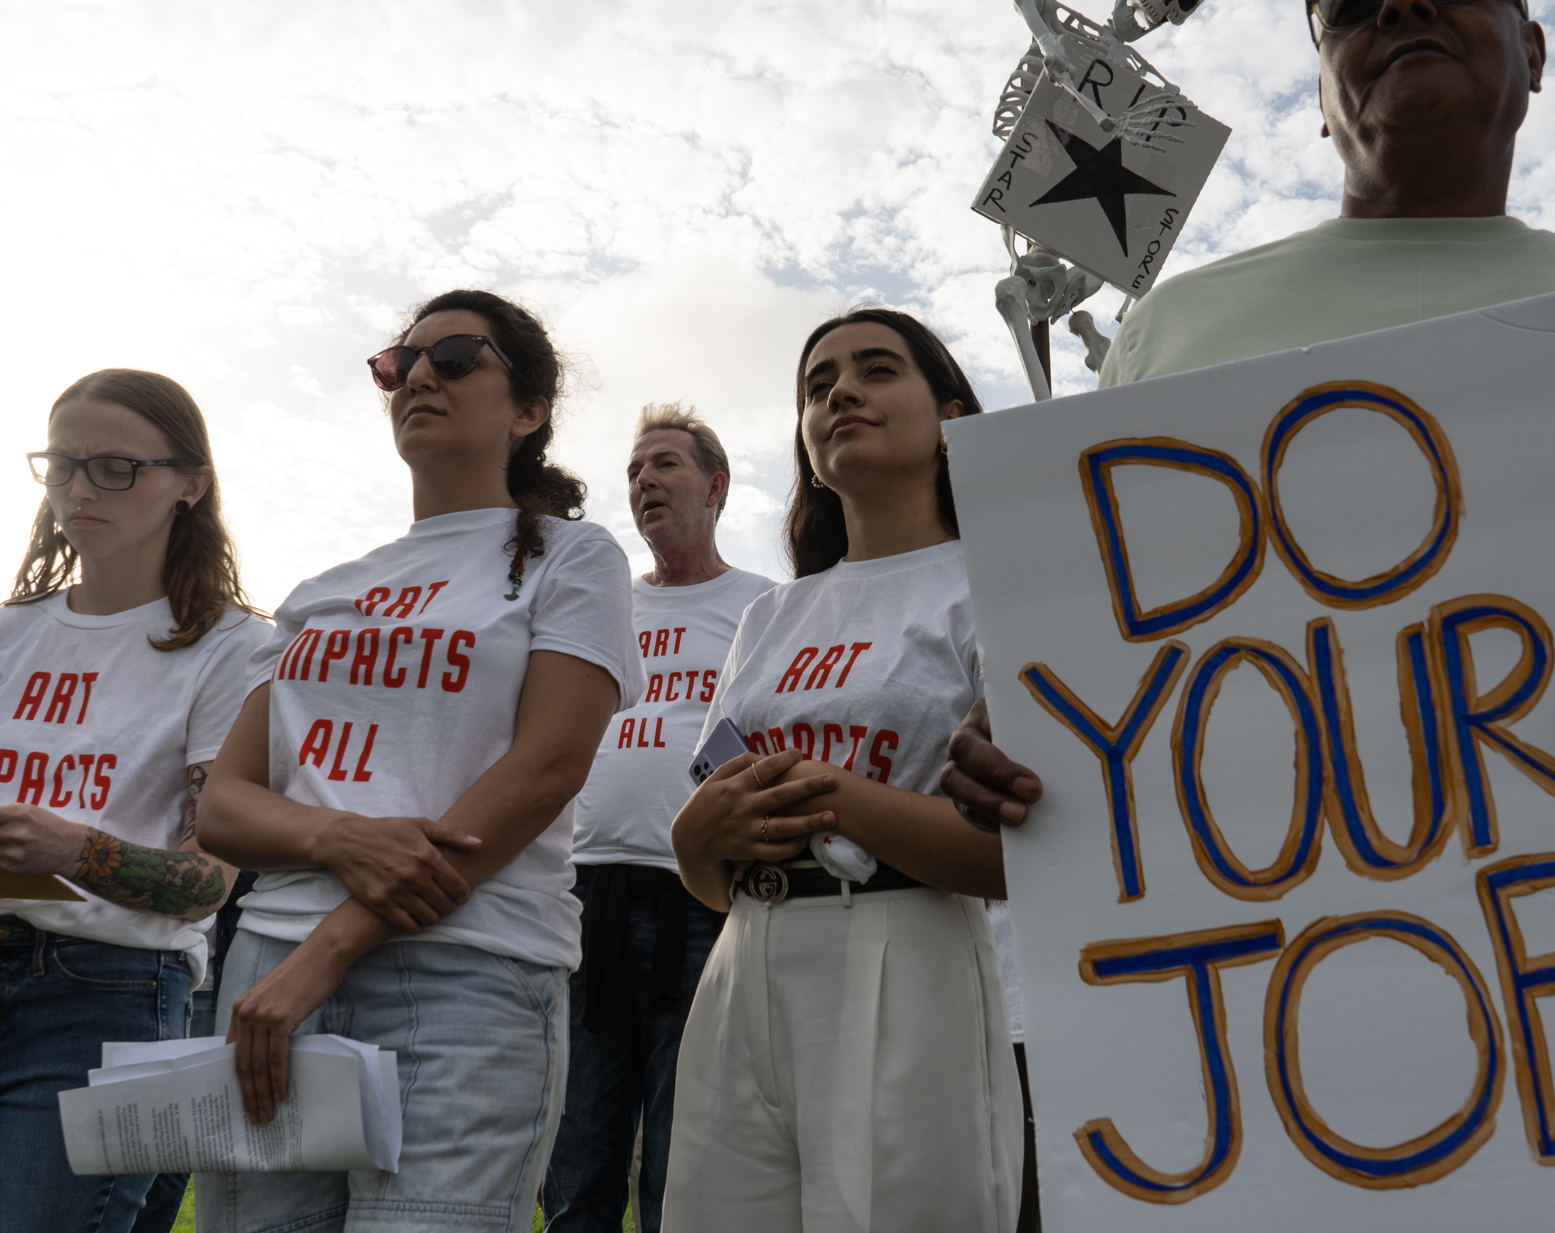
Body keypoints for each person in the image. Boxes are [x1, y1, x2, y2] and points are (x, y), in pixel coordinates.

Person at [941, 0, 1555, 876]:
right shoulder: (1170, 329)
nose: (1405, 2)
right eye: (1352, 7)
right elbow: (1086, 641)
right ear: (1322, 100)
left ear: (1533, 53)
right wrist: (1028, 728)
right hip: (1224, 986)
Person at [195, 290, 644, 1231]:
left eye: (456, 357)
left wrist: (331, 948)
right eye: (399, 364)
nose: (418, 377)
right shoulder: (325, 590)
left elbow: (549, 765)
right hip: (269, 975)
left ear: (529, 412)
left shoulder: (573, 558)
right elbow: (226, 805)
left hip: (468, 973)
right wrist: (339, 837)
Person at [0, 370, 267, 1230]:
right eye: (63, 462)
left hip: (105, 994)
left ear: (191, 482)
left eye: (116, 466)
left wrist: (70, 847)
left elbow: (207, 882)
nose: (79, 487)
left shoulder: (236, 648)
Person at [664, 308, 1021, 1233]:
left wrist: (831, 794)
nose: (840, 394)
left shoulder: (998, 583)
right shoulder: (769, 617)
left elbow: (1013, 860)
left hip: (909, 949)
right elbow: (717, 857)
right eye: (818, 386)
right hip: (745, 958)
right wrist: (691, 841)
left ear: (949, 413)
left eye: (875, 370)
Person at [543, 404, 777, 1233]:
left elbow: (775, 735)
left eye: (666, 464)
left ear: (715, 486)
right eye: (636, 470)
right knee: (576, 1154)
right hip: (583, 901)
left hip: (705, 905)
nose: (644, 481)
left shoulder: (766, 606)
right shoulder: (594, 602)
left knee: (686, 1157)